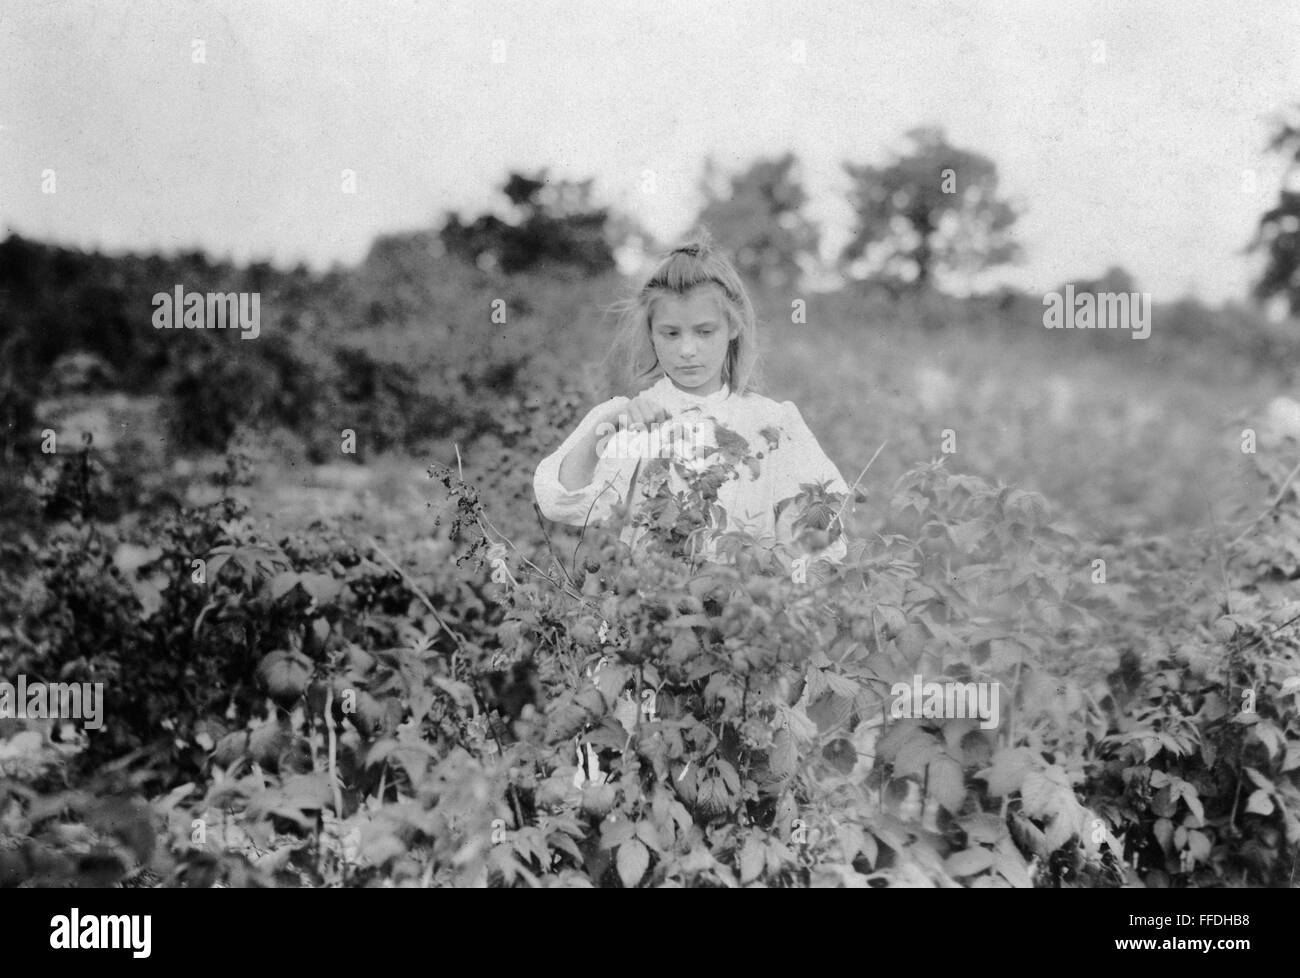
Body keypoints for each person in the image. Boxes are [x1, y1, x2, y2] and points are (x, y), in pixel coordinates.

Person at [533, 231, 850, 568]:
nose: (686, 350)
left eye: (704, 332)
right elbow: (559, 501)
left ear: (732, 327)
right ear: (651, 334)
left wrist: (776, 563)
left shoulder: (771, 422)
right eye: (671, 333)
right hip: (650, 608)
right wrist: (609, 425)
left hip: (742, 608)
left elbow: (815, 542)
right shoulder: (630, 419)